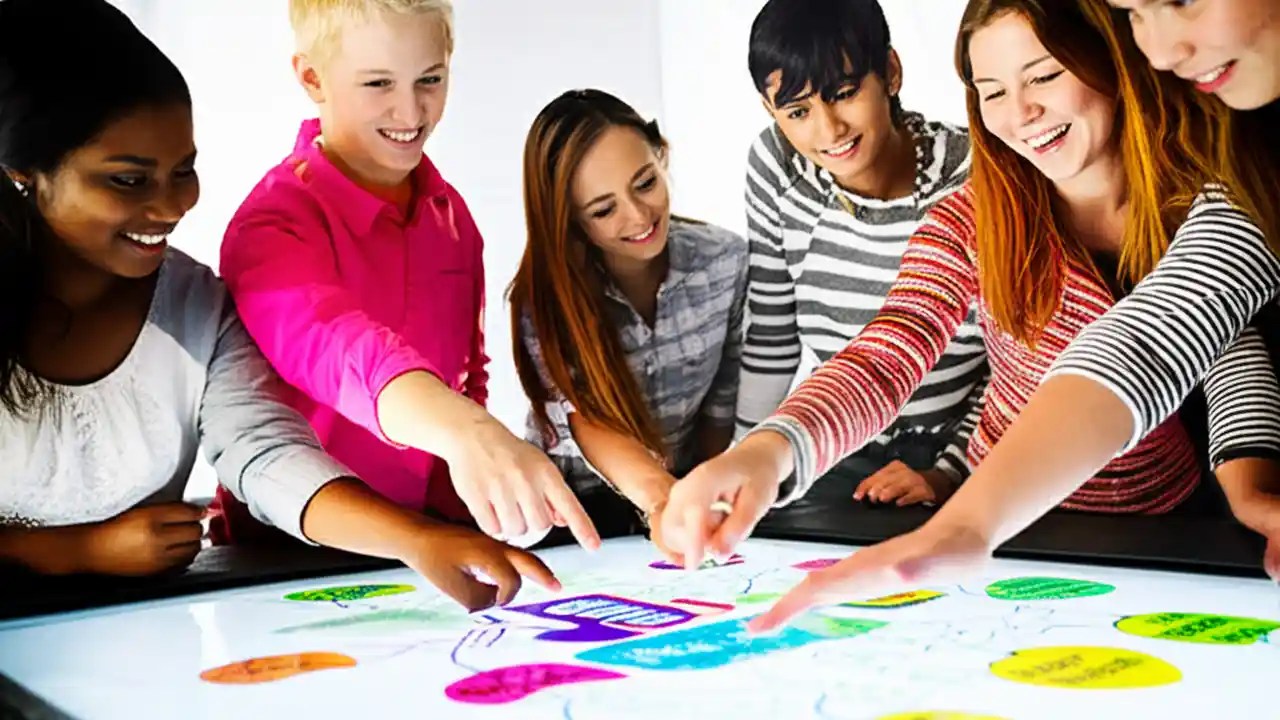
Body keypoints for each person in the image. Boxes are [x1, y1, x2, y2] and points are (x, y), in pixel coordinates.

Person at [660, 0, 1280, 630]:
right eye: (992, 91)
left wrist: (1246, 490)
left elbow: (1196, 342)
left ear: (1108, 60)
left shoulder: (1217, 186)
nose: (1021, 112)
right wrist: (769, 449)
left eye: (1043, 77)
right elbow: (886, 351)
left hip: (1160, 526)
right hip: (1011, 528)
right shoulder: (970, 217)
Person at [0, 0, 558, 611]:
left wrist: (424, 537)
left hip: (167, 621)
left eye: (183, 170)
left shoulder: (196, 303)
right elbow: (335, 344)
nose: (170, 208)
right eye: (129, 180)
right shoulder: (273, 227)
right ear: (21, 175)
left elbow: (263, 451)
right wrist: (74, 551)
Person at [210, 0, 600, 551]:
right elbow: (342, 349)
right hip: (281, 549)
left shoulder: (452, 216)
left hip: (422, 542)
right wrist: (471, 434)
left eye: (430, 79)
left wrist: (475, 499)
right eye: (378, 83)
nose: (410, 110)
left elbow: (466, 375)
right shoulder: (271, 225)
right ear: (312, 76)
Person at [738, 0, 985, 507]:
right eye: (798, 112)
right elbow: (772, 332)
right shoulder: (777, 165)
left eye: (845, 94)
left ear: (890, 73)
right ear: (771, 111)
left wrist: (949, 470)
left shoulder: (973, 173)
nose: (829, 131)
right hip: (836, 440)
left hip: (971, 448)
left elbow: (1017, 360)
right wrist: (743, 461)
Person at [510, 89, 747, 560]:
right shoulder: (543, 301)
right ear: (570, 221)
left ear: (662, 156)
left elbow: (724, 404)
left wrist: (706, 494)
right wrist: (662, 501)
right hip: (573, 518)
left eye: (645, 183)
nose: (638, 216)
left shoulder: (726, 261)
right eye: (603, 210)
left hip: (679, 499)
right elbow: (587, 420)